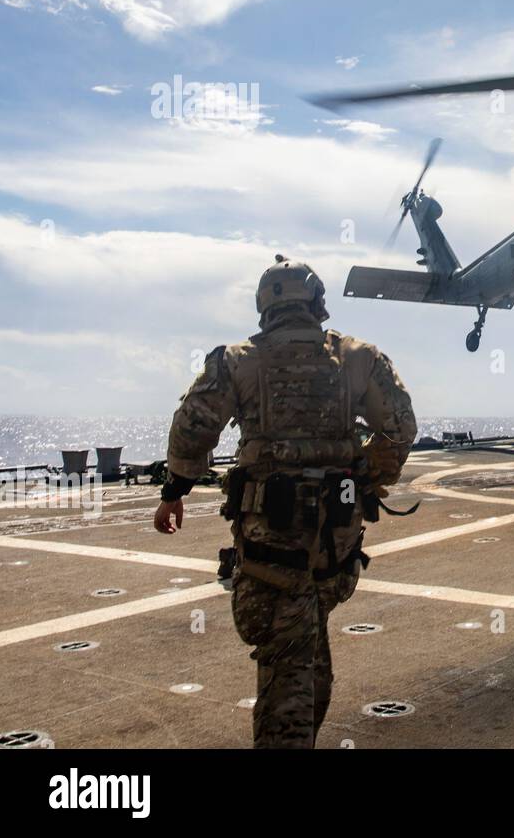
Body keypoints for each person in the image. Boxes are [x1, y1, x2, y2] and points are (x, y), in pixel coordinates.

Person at [153, 255, 416, 748]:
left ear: (263, 306)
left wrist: (175, 492)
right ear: (317, 303)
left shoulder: (238, 360)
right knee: (309, 655)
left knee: (289, 667)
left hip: (272, 546)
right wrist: (369, 477)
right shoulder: (359, 357)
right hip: (335, 547)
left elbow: (193, 428)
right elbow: (400, 426)